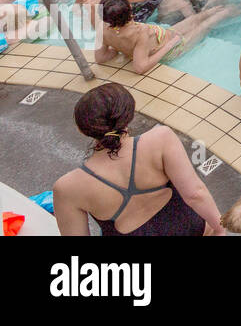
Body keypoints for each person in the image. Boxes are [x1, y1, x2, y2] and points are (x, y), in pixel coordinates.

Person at [52, 83, 225, 236]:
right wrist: (220, 229)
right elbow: (195, 194)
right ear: (128, 115)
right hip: (191, 228)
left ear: (83, 130)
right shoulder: (160, 139)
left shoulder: (68, 188)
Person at [94, 0, 231, 75]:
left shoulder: (102, 27)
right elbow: (140, 67)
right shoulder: (139, 33)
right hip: (174, 47)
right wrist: (170, 45)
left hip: (165, 35)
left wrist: (120, 48)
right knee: (207, 24)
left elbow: (100, 57)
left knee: (201, 16)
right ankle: (238, 8)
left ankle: (230, 7)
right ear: (129, 9)